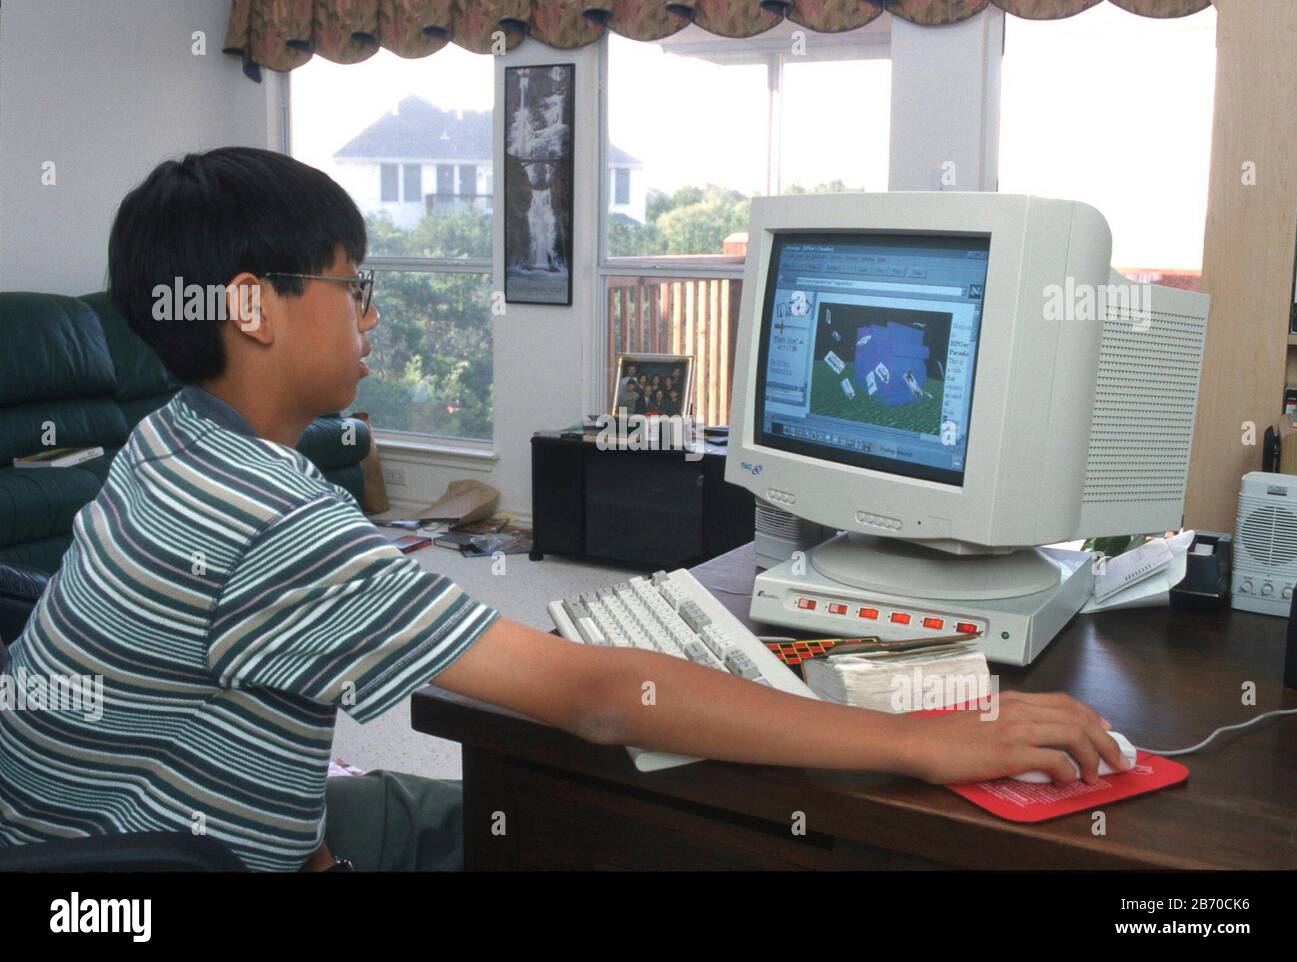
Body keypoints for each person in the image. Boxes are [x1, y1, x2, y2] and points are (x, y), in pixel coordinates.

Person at [0, 147, 1125, 873]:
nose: (372, 318)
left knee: (531, 806)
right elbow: (591, 694)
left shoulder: (173, 437)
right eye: (355, 286)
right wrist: (918, 741)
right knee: (613, 833)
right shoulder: (266, 515)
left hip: (129, 843)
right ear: (250, 308)